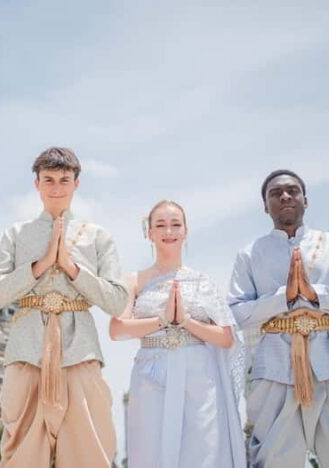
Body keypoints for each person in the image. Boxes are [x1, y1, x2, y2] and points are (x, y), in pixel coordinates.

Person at [0, 147, 128, 468]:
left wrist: (71, 268)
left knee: (88, 450)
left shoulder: (97, 237)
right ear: (36, 184)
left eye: (64, 180)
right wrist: (40, 265)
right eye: (48, 180)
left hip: (80, 351)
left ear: (77, 184)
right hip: (26, 350)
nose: (56, 188)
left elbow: (118, 300)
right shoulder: (16, 235)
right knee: (21, 453)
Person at [228, 169, 329, 467]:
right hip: (274, 367)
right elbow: (236, 314)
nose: (285, 196)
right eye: (275, 193)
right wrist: (283, 297)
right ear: (265, 206)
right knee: (274, 459)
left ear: (305, 200)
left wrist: (317, 295)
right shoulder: (250, 254)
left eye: (292, 190)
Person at [110, 200, 246, 467]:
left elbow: (226, 337)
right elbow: (117, 329)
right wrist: (162, 320)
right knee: (151, 449)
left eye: (175, 224)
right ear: (149, 233)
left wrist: (185, 321)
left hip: (199, 375)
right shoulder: (133, 280)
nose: (168, 231)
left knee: (202, 449)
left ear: (185, 231)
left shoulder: (202, 281)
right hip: (152, 372)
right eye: (160, 225)